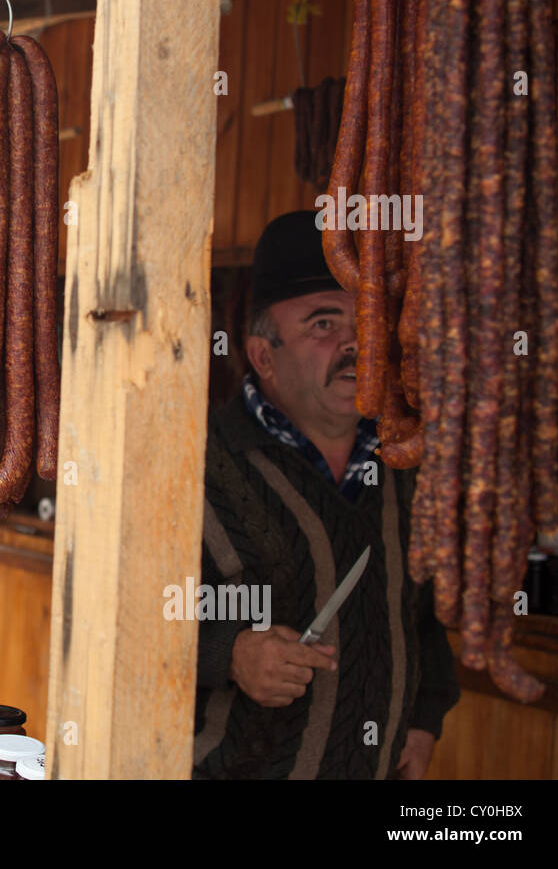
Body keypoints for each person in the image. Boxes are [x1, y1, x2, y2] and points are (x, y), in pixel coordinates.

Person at [194, 209, 459, 779]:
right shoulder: (193, 467)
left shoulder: (404, 460)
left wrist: (424, 718)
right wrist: (231, 654)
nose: (353, 346)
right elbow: (130, 615)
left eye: (363, 325)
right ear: (264, 355)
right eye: (322, 324)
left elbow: (423, 614)